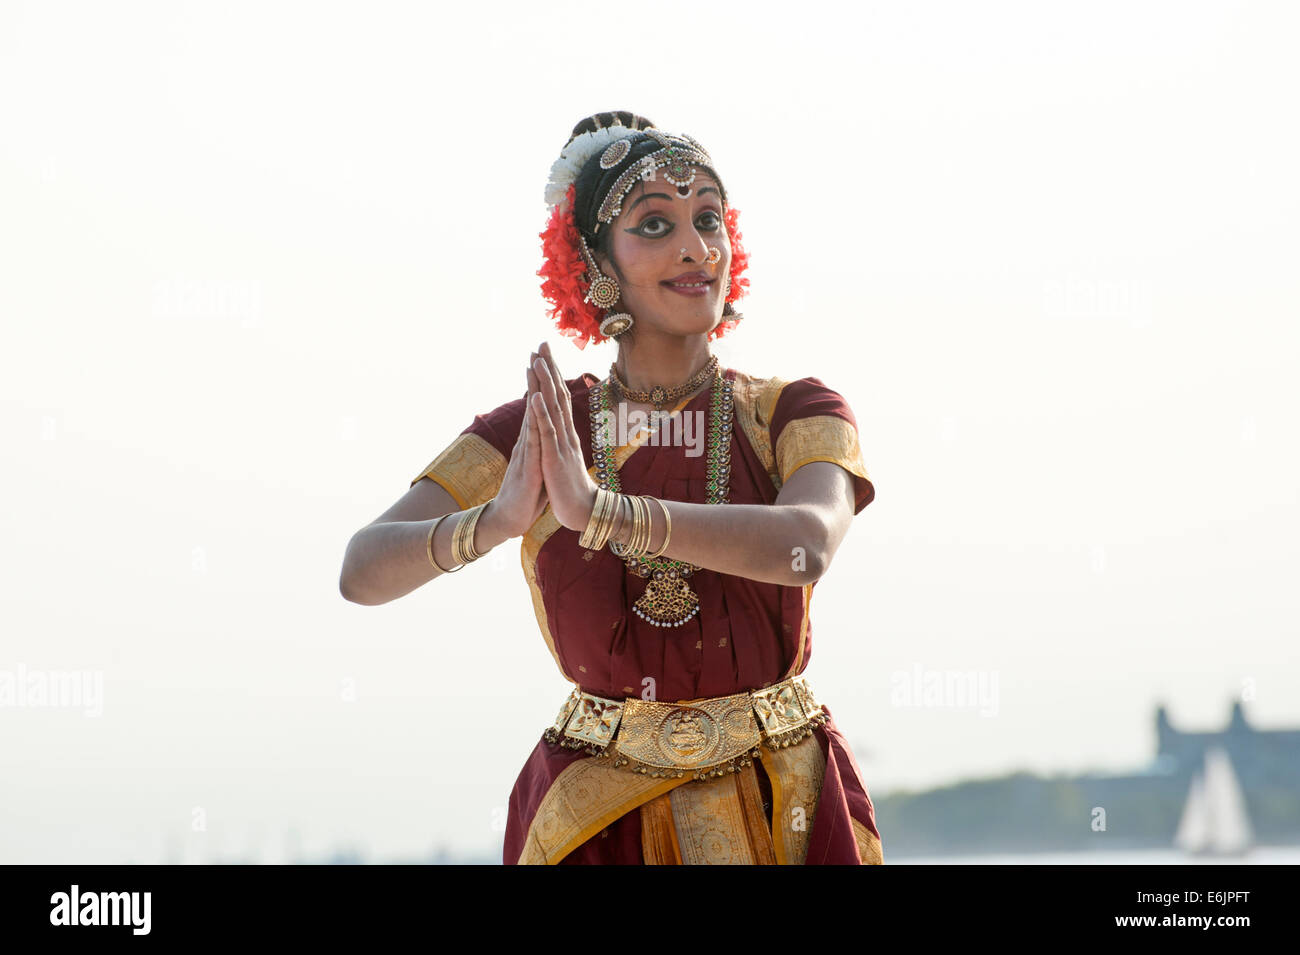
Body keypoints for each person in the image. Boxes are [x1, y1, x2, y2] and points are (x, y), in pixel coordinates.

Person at [340, 111, 884, 865]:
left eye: (707, 219)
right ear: (595, 262)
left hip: (780, 802)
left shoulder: (790, 412)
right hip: (598, 818)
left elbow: (808, 543)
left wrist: (604, 513)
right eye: (655, 224)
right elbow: (361, 571)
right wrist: (496, 521)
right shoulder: (541, 431)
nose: (696, 247)